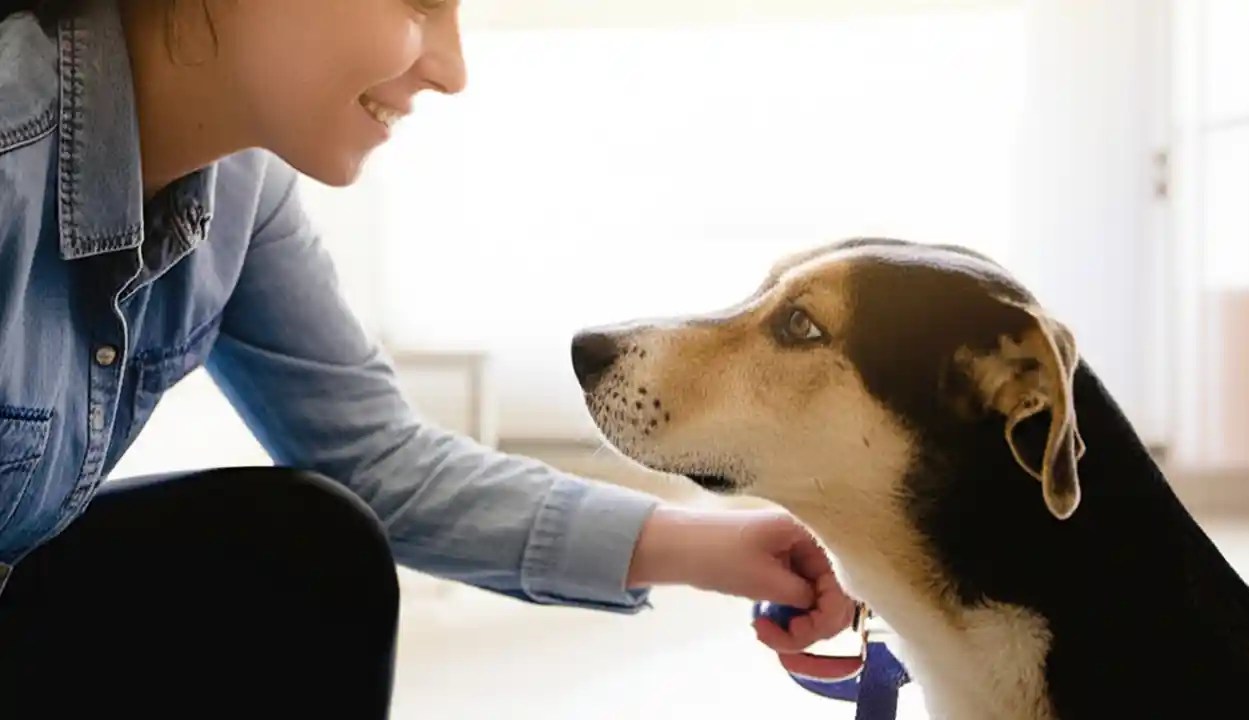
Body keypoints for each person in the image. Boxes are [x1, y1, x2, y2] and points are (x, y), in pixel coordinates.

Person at [0, 0, 859, 717]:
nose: (451, 69)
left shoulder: (242, 192)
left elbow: (376, 459)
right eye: (416, 2)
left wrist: (714, 547)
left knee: (306, 545)